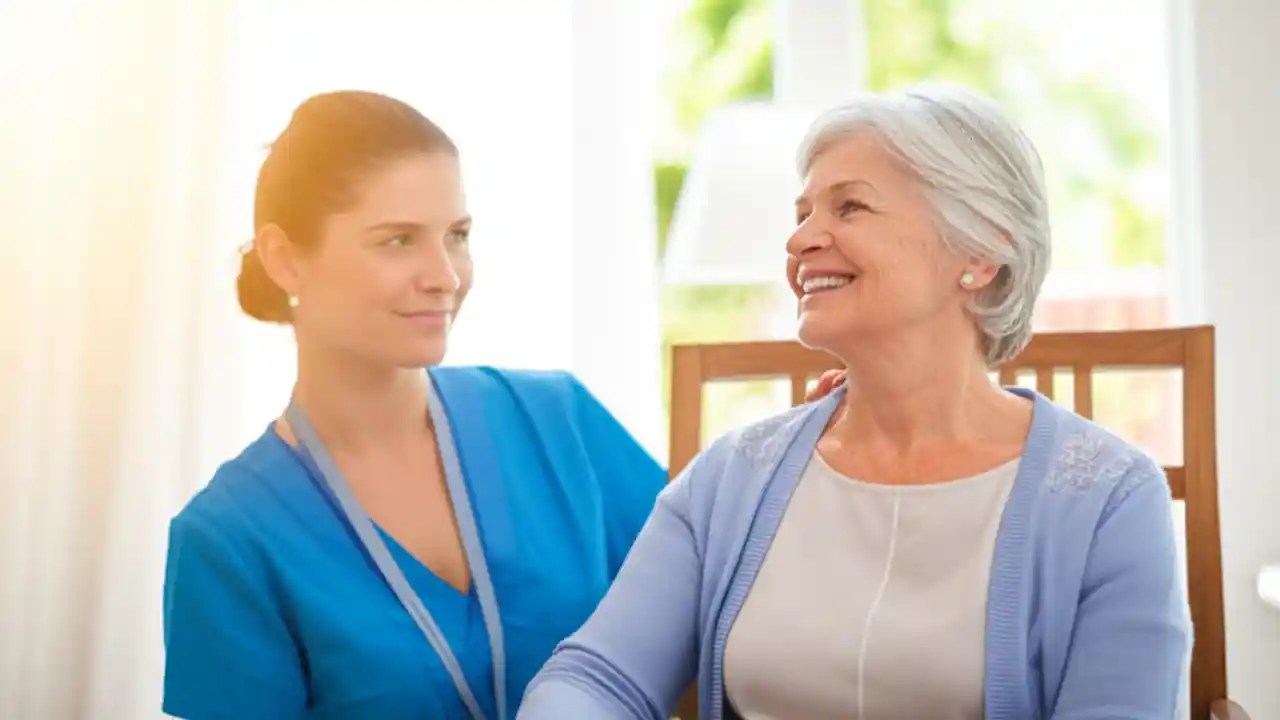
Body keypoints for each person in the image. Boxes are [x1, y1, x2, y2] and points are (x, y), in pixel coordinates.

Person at [160, 90, 843, 720]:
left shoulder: (559, 424)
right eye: (398, 240)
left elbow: (738, 607)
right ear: (285, 259)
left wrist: (836, 441)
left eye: (457, 235)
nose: (446, 275)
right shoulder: (227, 542)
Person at [519, 84, 1191, 720]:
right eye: (803, 213)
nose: (800, 239)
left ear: (982, 251)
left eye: (850, 207)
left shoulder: (1110, 498)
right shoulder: (733, 479)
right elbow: (597, 677)